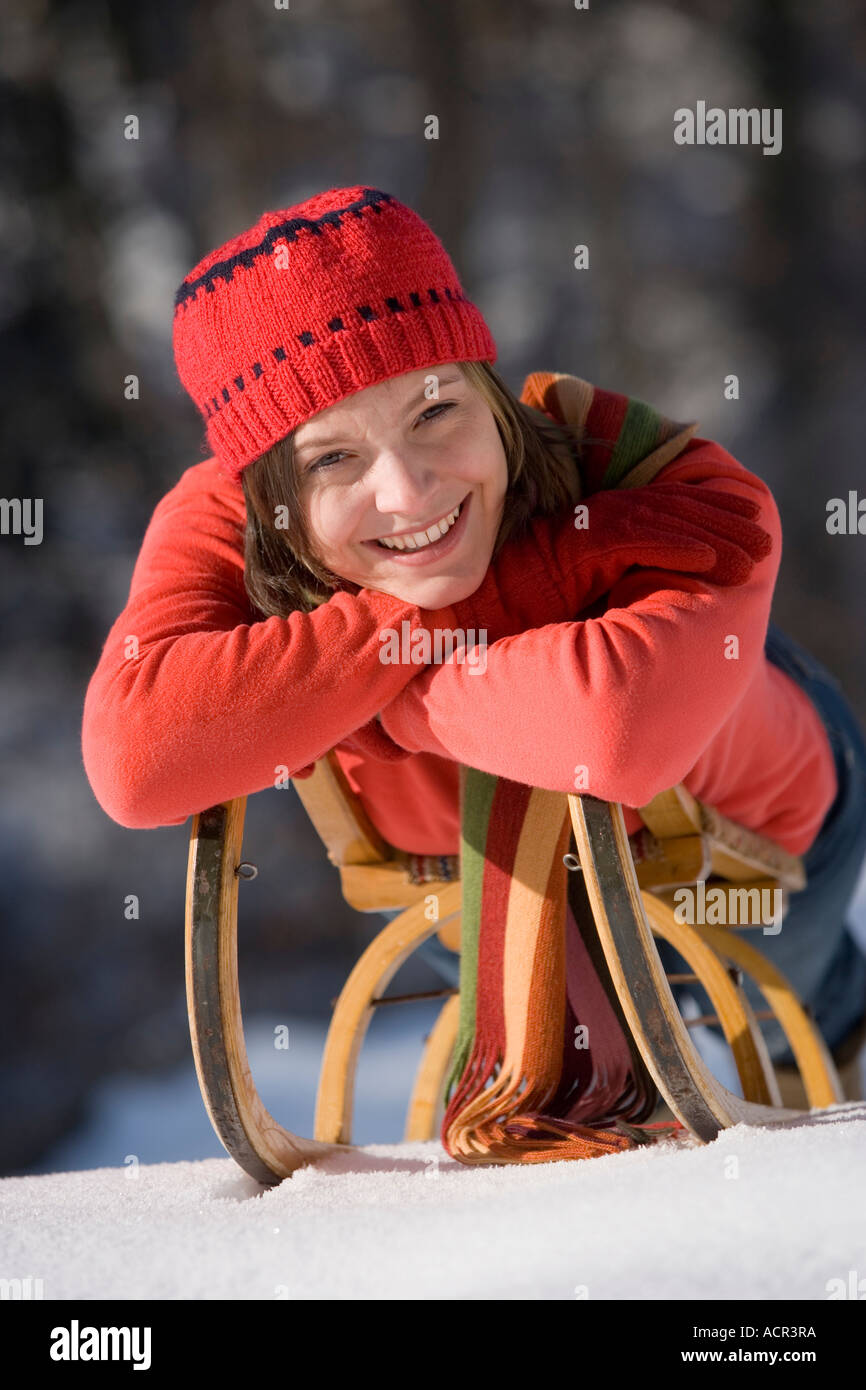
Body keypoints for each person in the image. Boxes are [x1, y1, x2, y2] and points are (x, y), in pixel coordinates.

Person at [81, 184, 866, 1103]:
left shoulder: (650, 474)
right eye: (334, 459)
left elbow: (613, 732)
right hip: (481, 890)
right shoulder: (226, 518)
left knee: (802, 1018)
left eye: (434, 412)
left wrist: (336, 699)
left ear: (488, 391)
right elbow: (137, 762)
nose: (409, 495)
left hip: (752, 851)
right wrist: (486, 608)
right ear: (270, 493)